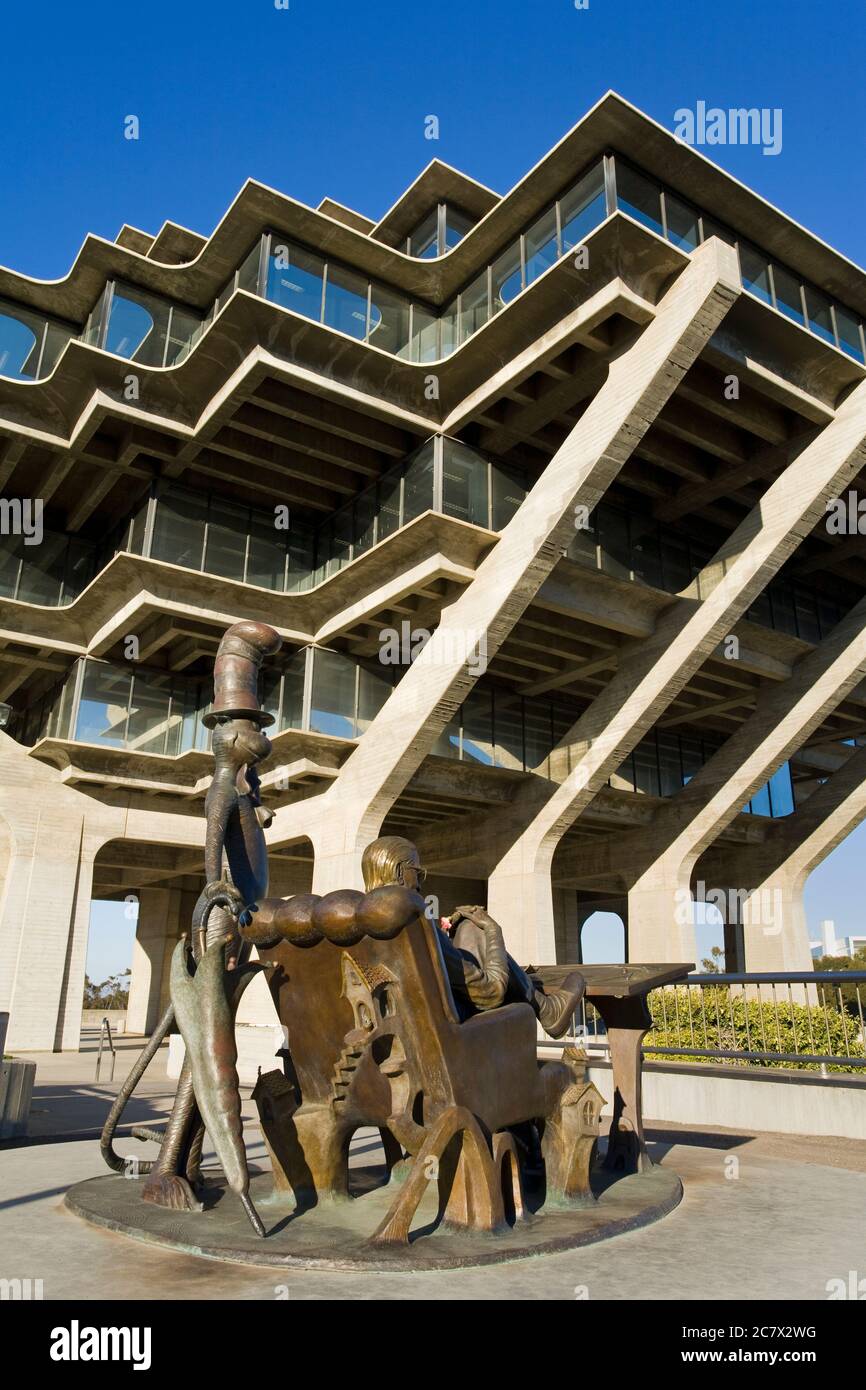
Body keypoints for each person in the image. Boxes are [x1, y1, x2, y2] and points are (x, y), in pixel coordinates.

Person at [360, 835, 585, 1039]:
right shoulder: (415, 927)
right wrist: (492, 930)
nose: (419, 883)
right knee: (475, 928)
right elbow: (491, 993)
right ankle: (546, 1009)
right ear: (400, 872)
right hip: (451, 1028)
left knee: (467, 928)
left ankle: (533, 994)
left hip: (409, 1021)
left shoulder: (362, 930)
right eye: (417, 873)